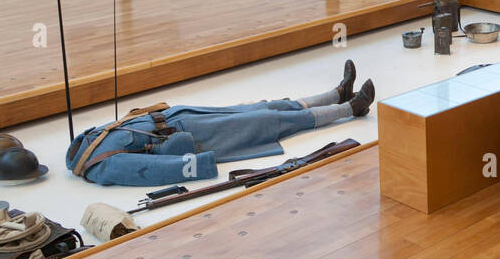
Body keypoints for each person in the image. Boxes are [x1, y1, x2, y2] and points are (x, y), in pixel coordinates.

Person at [66, 60, 374, 186]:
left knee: (264, 107)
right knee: (271, 121)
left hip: (187, 117)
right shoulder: (101, 165)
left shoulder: (87, 139)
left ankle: (335, 93)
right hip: (197, 137)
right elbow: (151, 172)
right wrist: (199, 165)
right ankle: (350, 108)